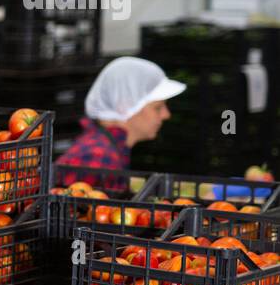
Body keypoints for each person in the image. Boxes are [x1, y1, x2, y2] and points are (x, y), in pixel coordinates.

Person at [56, 56, 186, 189]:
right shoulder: (98, 158)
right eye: (158, 107)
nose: (166, 115)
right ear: (124, 104)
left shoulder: (112, 149)